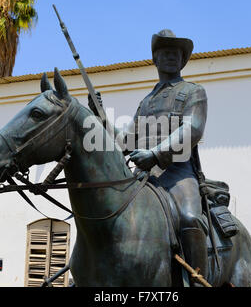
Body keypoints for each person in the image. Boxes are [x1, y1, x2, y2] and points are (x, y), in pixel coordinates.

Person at [89, 29, 209, 284]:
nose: (171, 56)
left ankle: (197, 280)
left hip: (178, 174)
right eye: (165, 52)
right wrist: (101, 118)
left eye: (176, 53)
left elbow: (192, 129)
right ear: (155, 59)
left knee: (190, 218)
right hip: (144, 178)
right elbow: (126, 141)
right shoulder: (146, 102)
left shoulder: (192, 92)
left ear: (183, 59)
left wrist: (155, 154)